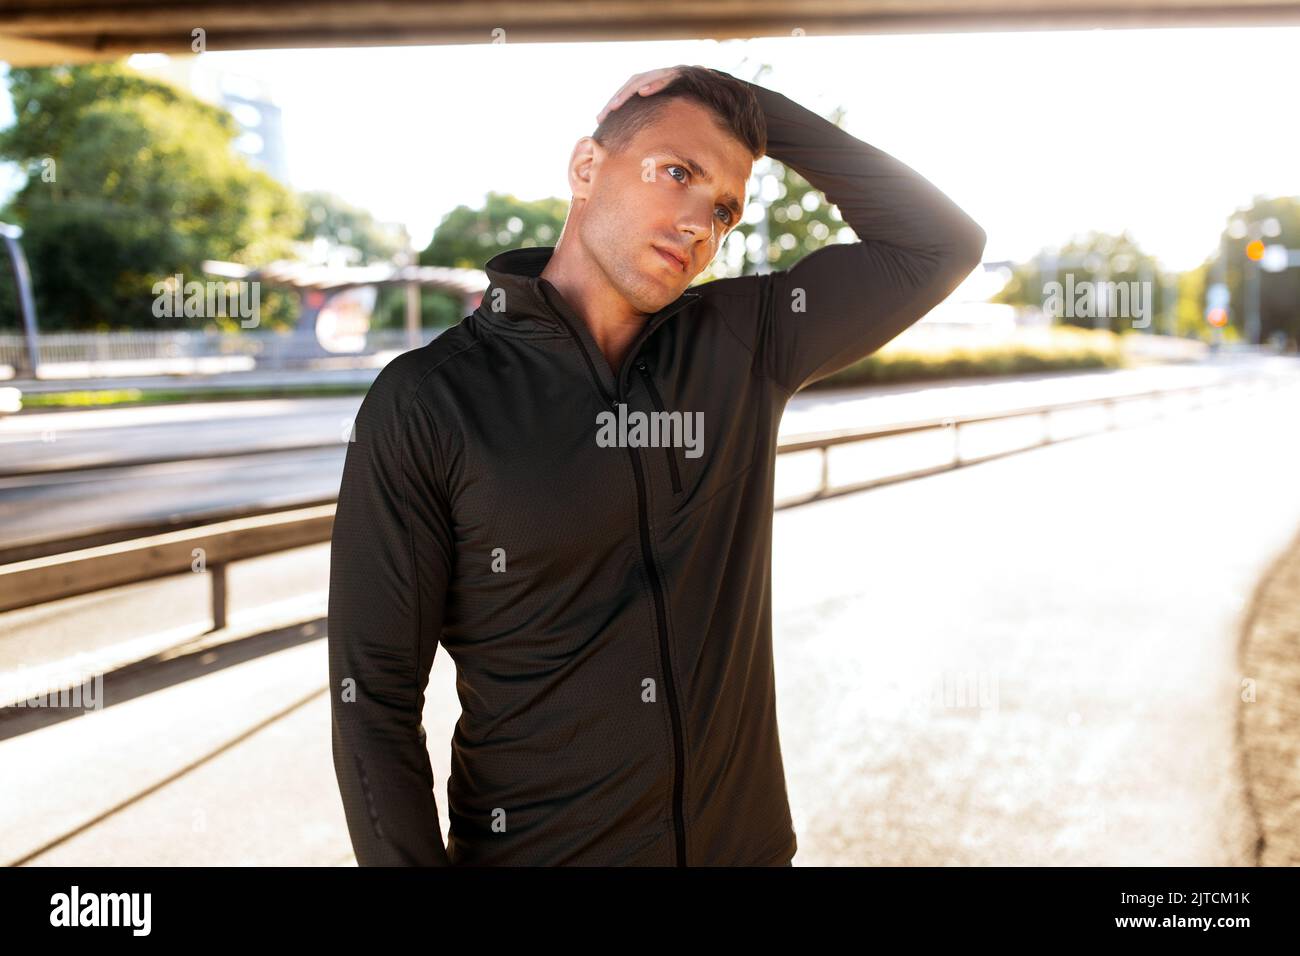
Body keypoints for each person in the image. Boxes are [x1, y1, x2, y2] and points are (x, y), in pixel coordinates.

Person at [327, 64, 985, 866]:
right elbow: (374, 706)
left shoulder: (745, 345)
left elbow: (940, 244)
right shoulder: (427, 403)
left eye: (724, 210)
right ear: (585, 167)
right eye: (677, 173)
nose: (699, 225)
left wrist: (764, 117)